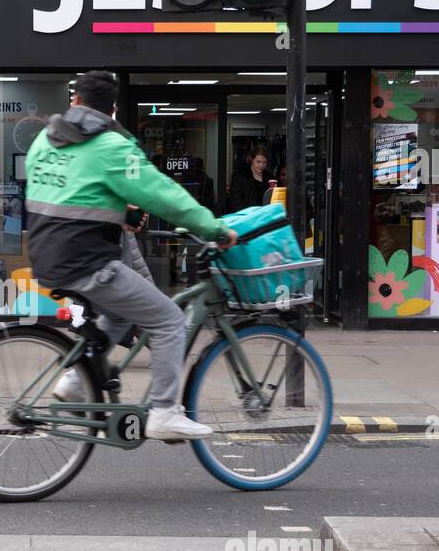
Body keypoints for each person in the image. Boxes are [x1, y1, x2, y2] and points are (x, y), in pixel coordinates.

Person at [24, 70, 236, 441]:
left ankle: (76, 379)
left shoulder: (45, 139)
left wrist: (119, 214)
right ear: (114, 109)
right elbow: (164, 195)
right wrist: (213, 229)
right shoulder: (111, 146)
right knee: (169, 319)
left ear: (75, 101)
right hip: (89, 262)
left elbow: (70, 191)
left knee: (120, 315)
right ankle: (165, 412)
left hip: (45, 256)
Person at [227, 145, 272, 212]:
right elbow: (235, 202)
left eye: (264, 162)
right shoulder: (240, 177)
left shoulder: (268, 177)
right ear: (251, 159)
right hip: (246, 217)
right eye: (258, 162)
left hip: (264, 216)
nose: (261, 165)